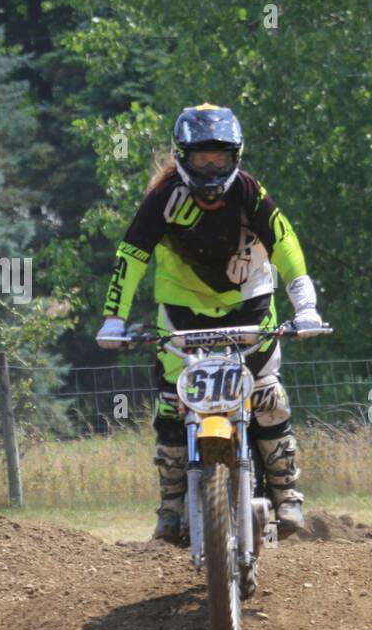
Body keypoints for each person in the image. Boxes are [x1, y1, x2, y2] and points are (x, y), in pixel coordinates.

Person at [95, 103, 324, 542]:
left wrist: (305, 304)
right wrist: (114, 319)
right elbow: (132, 256)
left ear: (235, 156)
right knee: (170, 402)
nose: (212, 167)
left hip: (249, 304)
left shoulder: (249, 193)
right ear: (183, 157)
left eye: (220, 157)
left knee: (267, 397)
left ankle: (287, 496)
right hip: (182, 311)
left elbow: (285, 244)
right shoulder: (162, 199)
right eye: (203, 158)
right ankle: (172, 505)